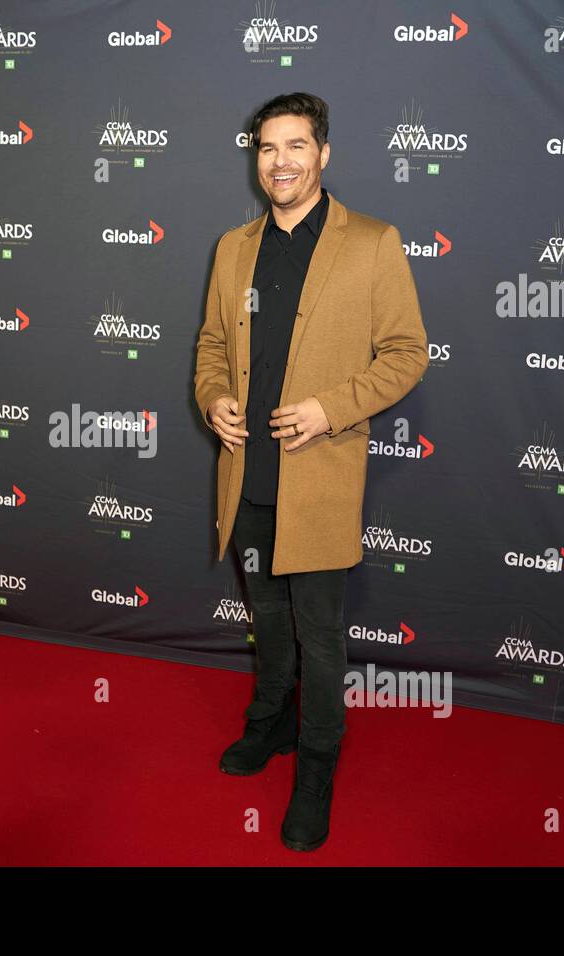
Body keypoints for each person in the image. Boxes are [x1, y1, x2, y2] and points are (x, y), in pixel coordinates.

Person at [194, 92, 428, 852]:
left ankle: (317, 767)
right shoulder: (233, 247)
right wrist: (215, 400)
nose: (280, 162)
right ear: (254, 158)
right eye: (267, 148)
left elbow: (406, 354)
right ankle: (270, 727)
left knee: (321, 638)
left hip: (318, 481)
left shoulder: (372, 242)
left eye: (296, 146)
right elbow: (208, 349)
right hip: (248, 477)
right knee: (267, 621)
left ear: (323, 154)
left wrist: (332, 409)